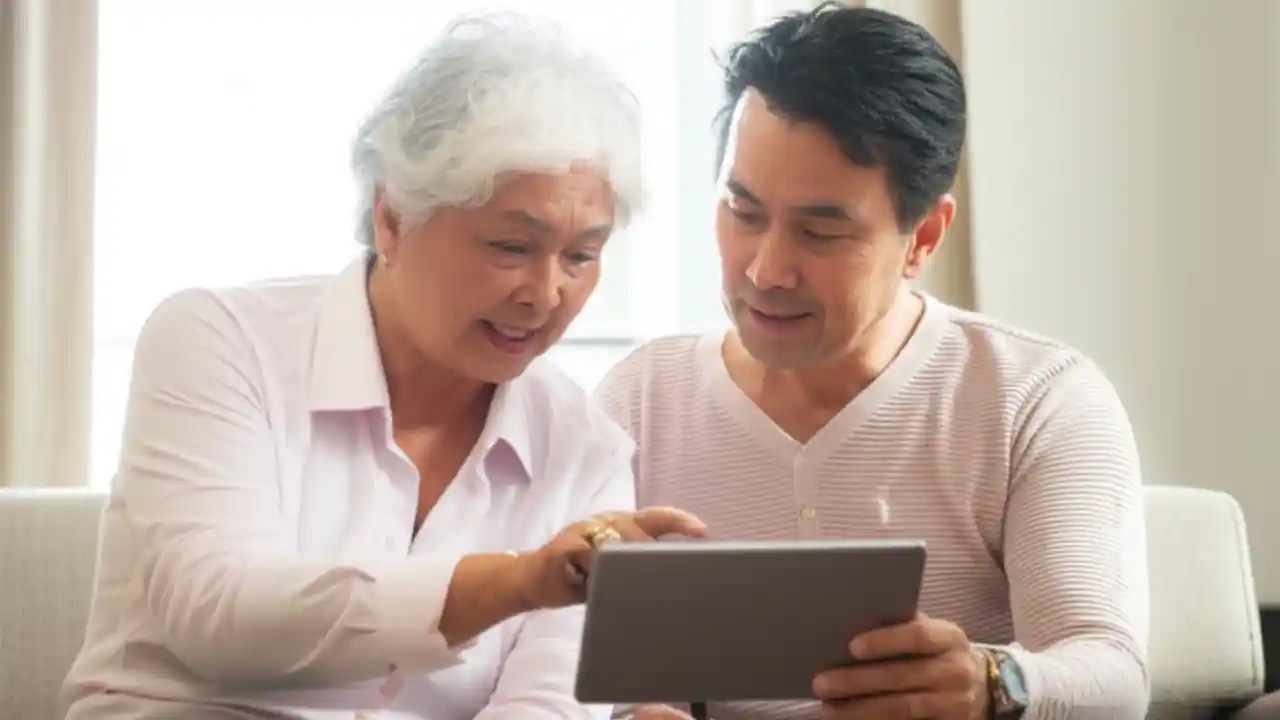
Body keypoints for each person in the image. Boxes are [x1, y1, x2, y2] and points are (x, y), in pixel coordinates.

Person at [60, 12, 705, 720]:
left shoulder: (585, 445)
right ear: (390, 217)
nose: (546, 294)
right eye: (510, 247)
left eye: (582, 256)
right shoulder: (219, 341)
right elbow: (219, 615)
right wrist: (514, 581)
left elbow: (545, 703)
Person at [596, 4, 1149, 719]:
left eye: (821, 231)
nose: (765, 270)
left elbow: (1112, 673)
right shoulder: (641, 400)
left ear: (923, 237)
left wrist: (992, 684)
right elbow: (566, 663)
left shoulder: (1035, 399)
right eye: (745, 211)